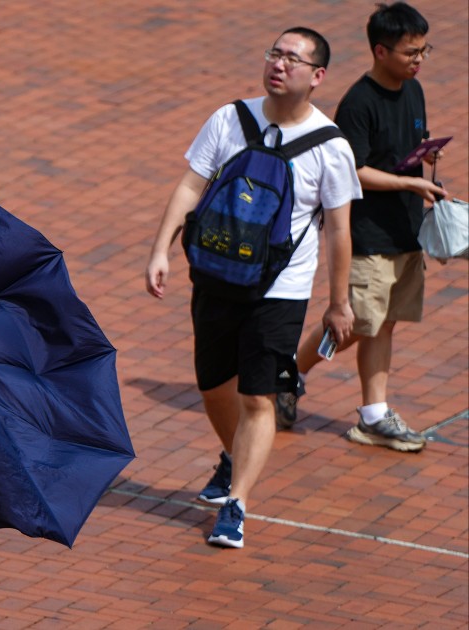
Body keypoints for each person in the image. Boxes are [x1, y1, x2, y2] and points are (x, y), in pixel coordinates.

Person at [145, 28, 360, 549]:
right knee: (212, 385)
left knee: (258, 397)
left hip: (280, 289)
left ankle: (235, 505)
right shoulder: (230, 119)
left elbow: (339, 230)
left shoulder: (331, 147)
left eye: (292, 59)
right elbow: (191, 185)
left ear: (318, 75)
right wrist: (160, 250)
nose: (279, 65)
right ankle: (233, 456)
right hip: (217, 274)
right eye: (274, 54)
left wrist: (338, 303)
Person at [278, 3, 448, 453]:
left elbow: (407, 143)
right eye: (411, 52)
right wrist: (409, 182)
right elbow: (353, 170)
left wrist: (425, 155)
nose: (418, 60)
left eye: (423, 50)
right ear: (380, 51)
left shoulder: (413, 89)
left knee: (382, 324)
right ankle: (288, 375)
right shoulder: (358, 103)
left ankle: (373, 414)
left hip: (406, 231)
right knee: (353, 323)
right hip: (369, 235)